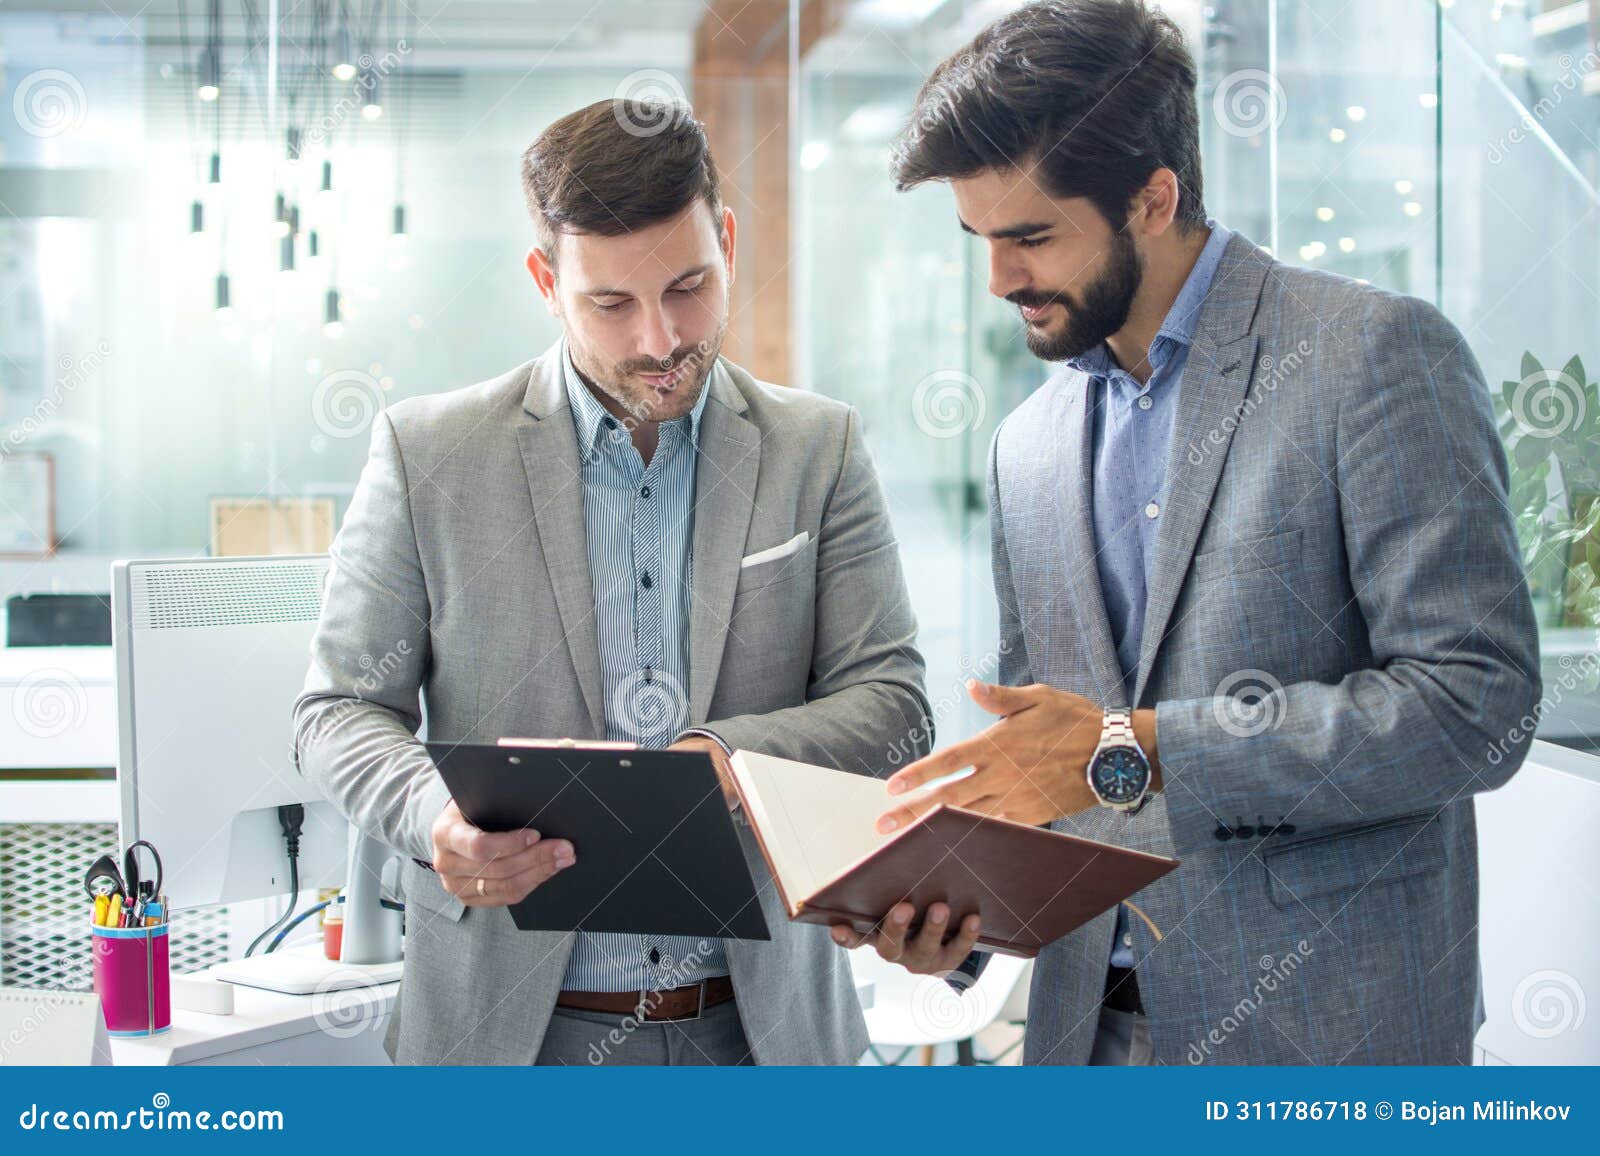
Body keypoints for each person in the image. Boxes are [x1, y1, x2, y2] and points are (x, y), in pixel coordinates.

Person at [834, 0, 1542, 1066]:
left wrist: (1138, 750)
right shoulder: (1024, 446)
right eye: (979, 240)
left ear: (1152, 198)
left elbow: (1473, 706)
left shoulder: (1370, 357)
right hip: (1087, 1040)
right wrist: (958, 923)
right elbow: (1050, 764)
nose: (999, 280)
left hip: (1328, 1040)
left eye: (1030, 236)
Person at [294, 98, 929, 1065]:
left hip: (764, 1035)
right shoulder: (431, 455)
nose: (659, 339)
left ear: (724, 238)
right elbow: (337, 709)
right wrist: (436, 822)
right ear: (547, 282)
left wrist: (729, 755)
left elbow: (894, 708)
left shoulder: (819, 448)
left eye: (689, 287)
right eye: (611, 304)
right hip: (509, 1039)